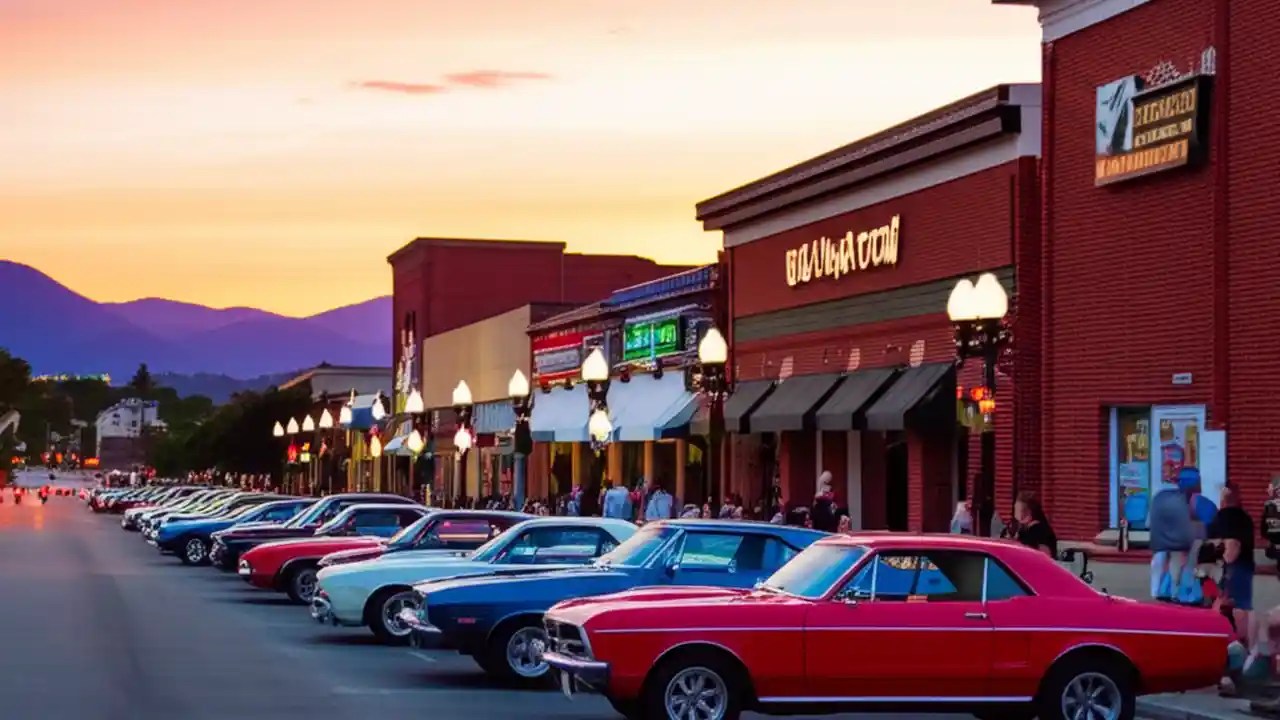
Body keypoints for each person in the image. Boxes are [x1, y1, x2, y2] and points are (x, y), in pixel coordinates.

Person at [1149, 474, 1194, 601]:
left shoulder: (1158, 499)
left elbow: (1150, 520)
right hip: (1176, 538)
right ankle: (1174, 592)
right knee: (1175, 564)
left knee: (1158, 562)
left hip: (1160, 537)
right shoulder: (1181, 499)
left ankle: (1156, 591)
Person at [1013, 492, 1057, 558]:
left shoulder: (1039, 531)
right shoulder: (1025, 530)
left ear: (1028, 512)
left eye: (1017, 510)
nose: (1015, 513)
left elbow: (1045, 556)